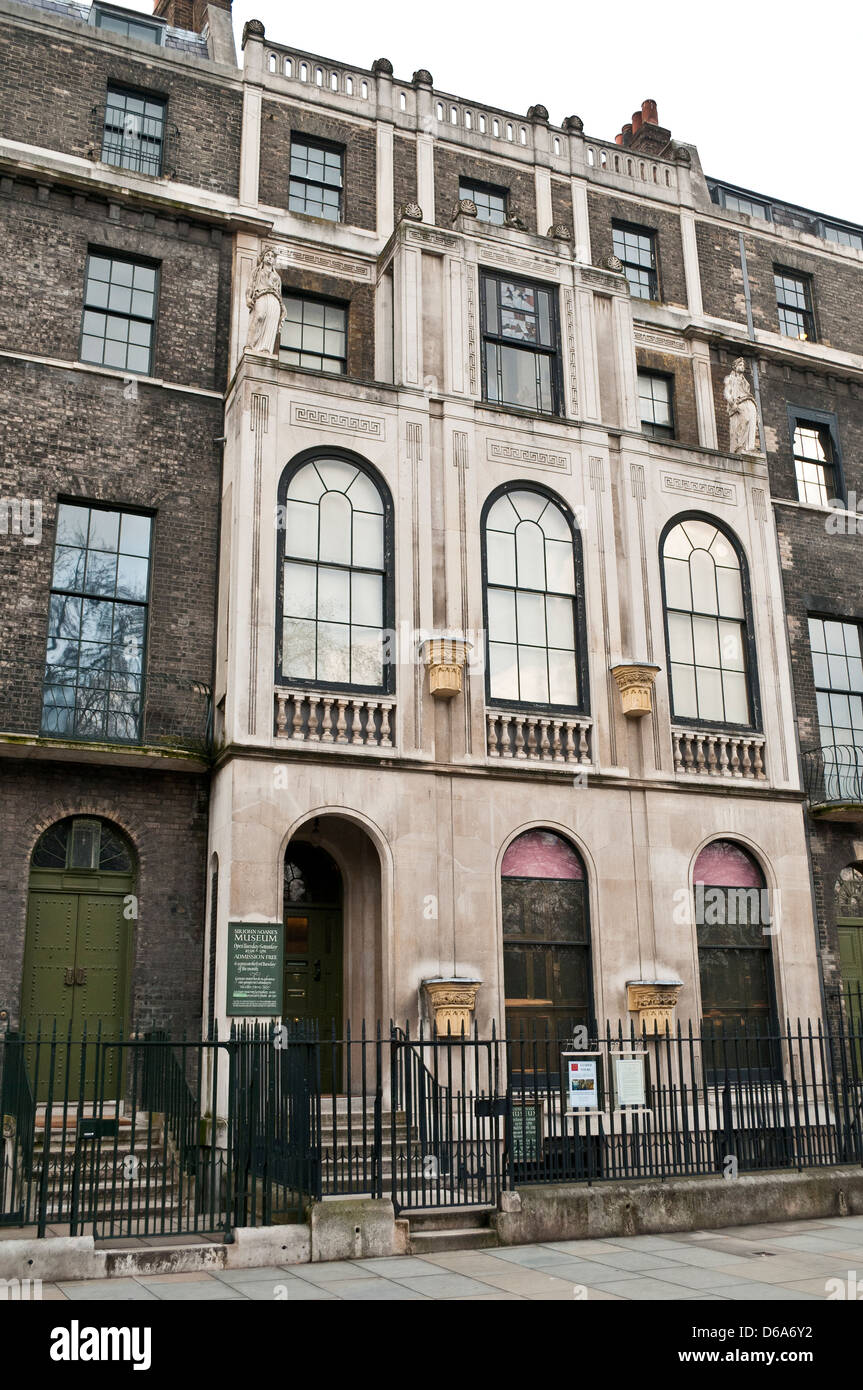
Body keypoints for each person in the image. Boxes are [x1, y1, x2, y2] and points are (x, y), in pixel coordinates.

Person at [245, 246, 285, 355]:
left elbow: (279, 293)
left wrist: (282, 307)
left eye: (272, 256)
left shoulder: (276, 276)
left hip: (274, 299)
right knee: (259, 317)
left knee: (271, 322)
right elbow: (250, 286)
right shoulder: (256, 271)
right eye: (267, 255)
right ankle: (250, 345)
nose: (270, 258)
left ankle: (265, 348)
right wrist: (248, 298)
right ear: (263, 257)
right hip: (260, 296)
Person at [724, 357, 760, 453]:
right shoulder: (730, 378)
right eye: (740, 365)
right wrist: (732, 403)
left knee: (752, 423)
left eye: (743, 365)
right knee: (744, 421)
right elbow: (727, 393)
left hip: (748, 402)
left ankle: (749, 446)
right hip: (739, 403)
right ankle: (739, 445)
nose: (742, 367)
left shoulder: (745, 381)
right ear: (735, 367)